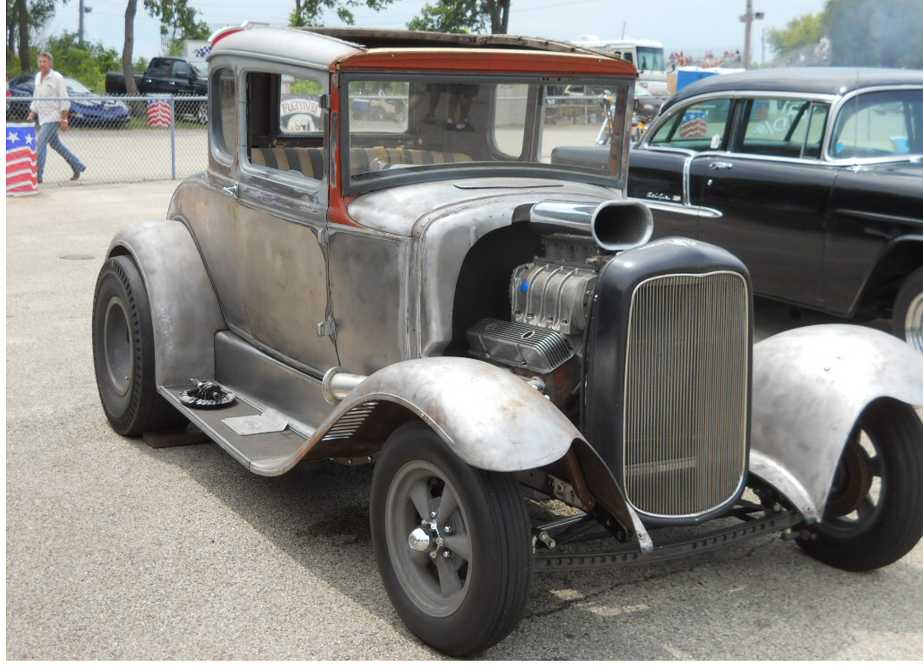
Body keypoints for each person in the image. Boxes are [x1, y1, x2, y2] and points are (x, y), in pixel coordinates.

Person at [26, 51, 86, 183]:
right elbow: (36, 97)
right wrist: (32, 112)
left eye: (45, 62)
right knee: (56, 145)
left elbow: (64, 99)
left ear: (50, 64)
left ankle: (37, 176)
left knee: (39, 144)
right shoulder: (37, 77)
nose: (42, 64)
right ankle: (77, 165)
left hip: (53, 117)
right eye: (40, 62)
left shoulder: (57, 78)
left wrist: (64, 118)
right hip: (42, 116)